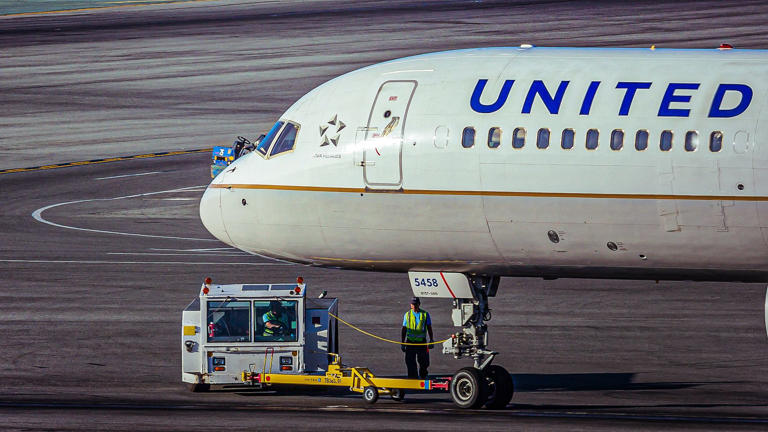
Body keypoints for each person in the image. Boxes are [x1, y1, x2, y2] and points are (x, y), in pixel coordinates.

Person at [401, 297, 434, 379]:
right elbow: (404, 329)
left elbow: (429, 327)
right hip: (410, 342)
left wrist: (431, 340)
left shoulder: (425, 314)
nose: (414, 306)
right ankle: (413, 378)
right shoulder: (407, 315)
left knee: (424, 362)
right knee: (410, 361)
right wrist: (402, 343)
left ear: (419, 304)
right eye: (413, 304)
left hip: (421, 342)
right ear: (410, 305)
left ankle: (423, 375)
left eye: (415, 304)